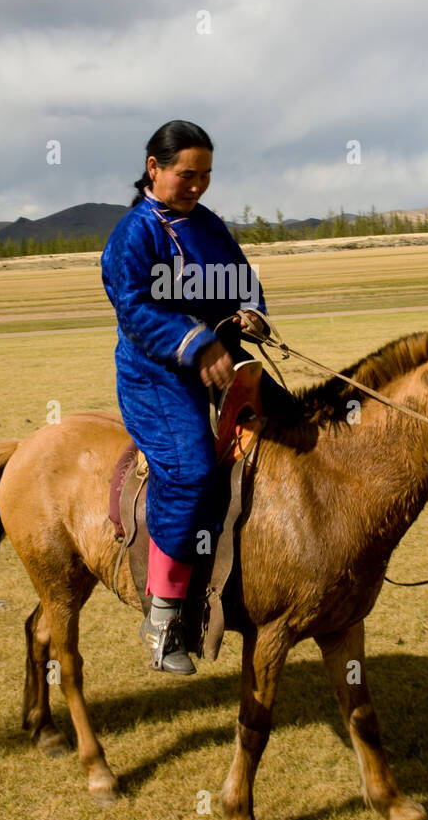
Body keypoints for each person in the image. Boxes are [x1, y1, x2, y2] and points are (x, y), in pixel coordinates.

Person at [100, 120, 293, 674]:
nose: (197, 186)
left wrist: (252, 309)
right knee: (190, 473)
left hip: (224, 362)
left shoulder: (206, 224)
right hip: (157, 376)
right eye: (187, 175)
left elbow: (241, 280)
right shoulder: (134, 235)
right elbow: (135, 312)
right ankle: (163, 616)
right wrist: (197, 343)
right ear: (153, 168)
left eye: (206, 176)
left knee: (293, 428)